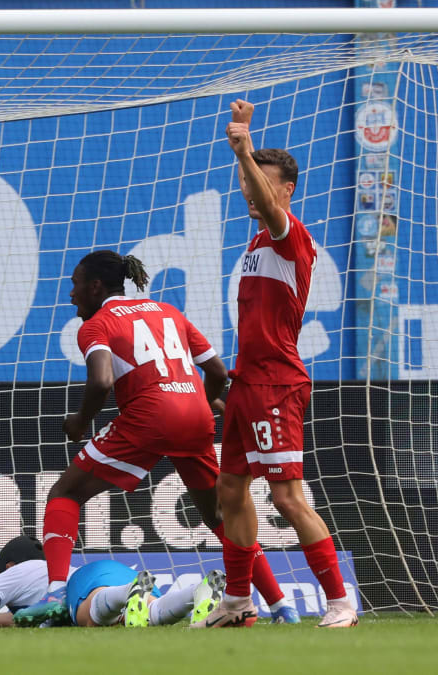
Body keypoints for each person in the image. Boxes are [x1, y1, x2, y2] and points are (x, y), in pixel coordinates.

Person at [28, 250, 297, 625]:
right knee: (224, 518)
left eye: (74, 285)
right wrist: (199, 401)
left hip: (148, 417)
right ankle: (282, 606)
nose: (70, 295)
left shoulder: (96, 324)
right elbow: (218, 371)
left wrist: (79, 422)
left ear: (95, 287)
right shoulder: (167, 311)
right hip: (195, 416)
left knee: (65, 493)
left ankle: (56, 590)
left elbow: (102, 380)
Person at [194, 100, 357, 629]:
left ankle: (339, 602)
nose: (248, 187)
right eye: (246, 178)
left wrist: (243, 149)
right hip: (248, 384)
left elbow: (268, 202)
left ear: (285, 191)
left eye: (260, 182)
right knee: (231, 490)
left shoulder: (292, 238)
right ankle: (239, 602)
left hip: (277, 385)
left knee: (286, 496)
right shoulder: (258, 242)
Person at [0, 536, 222, 630]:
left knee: (89, 616)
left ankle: (128, 594)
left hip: (89, 585)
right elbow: (0, 619)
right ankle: (198, 591)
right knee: (154, 614)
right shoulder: (48, 576)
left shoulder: (17, 573)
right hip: (115, 571)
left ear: (9, 567)